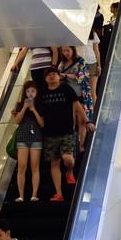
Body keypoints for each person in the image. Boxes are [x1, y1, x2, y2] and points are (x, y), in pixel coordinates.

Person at [37, 66, 91, 202]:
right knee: (54, 163)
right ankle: (59, 193)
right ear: (45, 78)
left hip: (66, 131)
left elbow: (78, 106)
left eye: (54, 74)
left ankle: (69, 171)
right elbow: (40, 114)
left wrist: (87, 121)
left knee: (68, 159)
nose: (52, 76)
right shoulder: (42, 93)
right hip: (49, 133)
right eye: (49, 75)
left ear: (59, 76)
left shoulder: (66, 89)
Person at [10, 81, 44, 202]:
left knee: (35, 166)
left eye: (33, 91)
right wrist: (24, 107)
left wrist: (33, 109)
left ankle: (34, 194)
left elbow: (41, 123)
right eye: (28, 91)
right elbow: (18, 121)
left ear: (37, 92)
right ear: (25, 92)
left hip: (36, 137)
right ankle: (21, 195)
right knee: (21, 167)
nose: (30, 94)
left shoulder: (40, 105)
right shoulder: (19, 105)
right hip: (22, 136)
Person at [57, 46, 94, 144]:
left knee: (82, 120)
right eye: (63, 51)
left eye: (68, 50)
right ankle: (71, 144)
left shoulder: (80, 61)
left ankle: (81, 145)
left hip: (81, 93)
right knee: (71, 120)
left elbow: (83, 76)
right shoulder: (62, 64)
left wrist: (66, 75)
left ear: (73, 50)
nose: (66, 53)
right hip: (68, 95)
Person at [82, 24, 102, 100]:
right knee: (82, 90)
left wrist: (99, 65)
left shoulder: (93, 33)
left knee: (92, 91)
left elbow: (97, 51)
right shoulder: (75, 33)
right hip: (79, 63)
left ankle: (94, 111)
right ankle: (85, 110)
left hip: (92, 62)